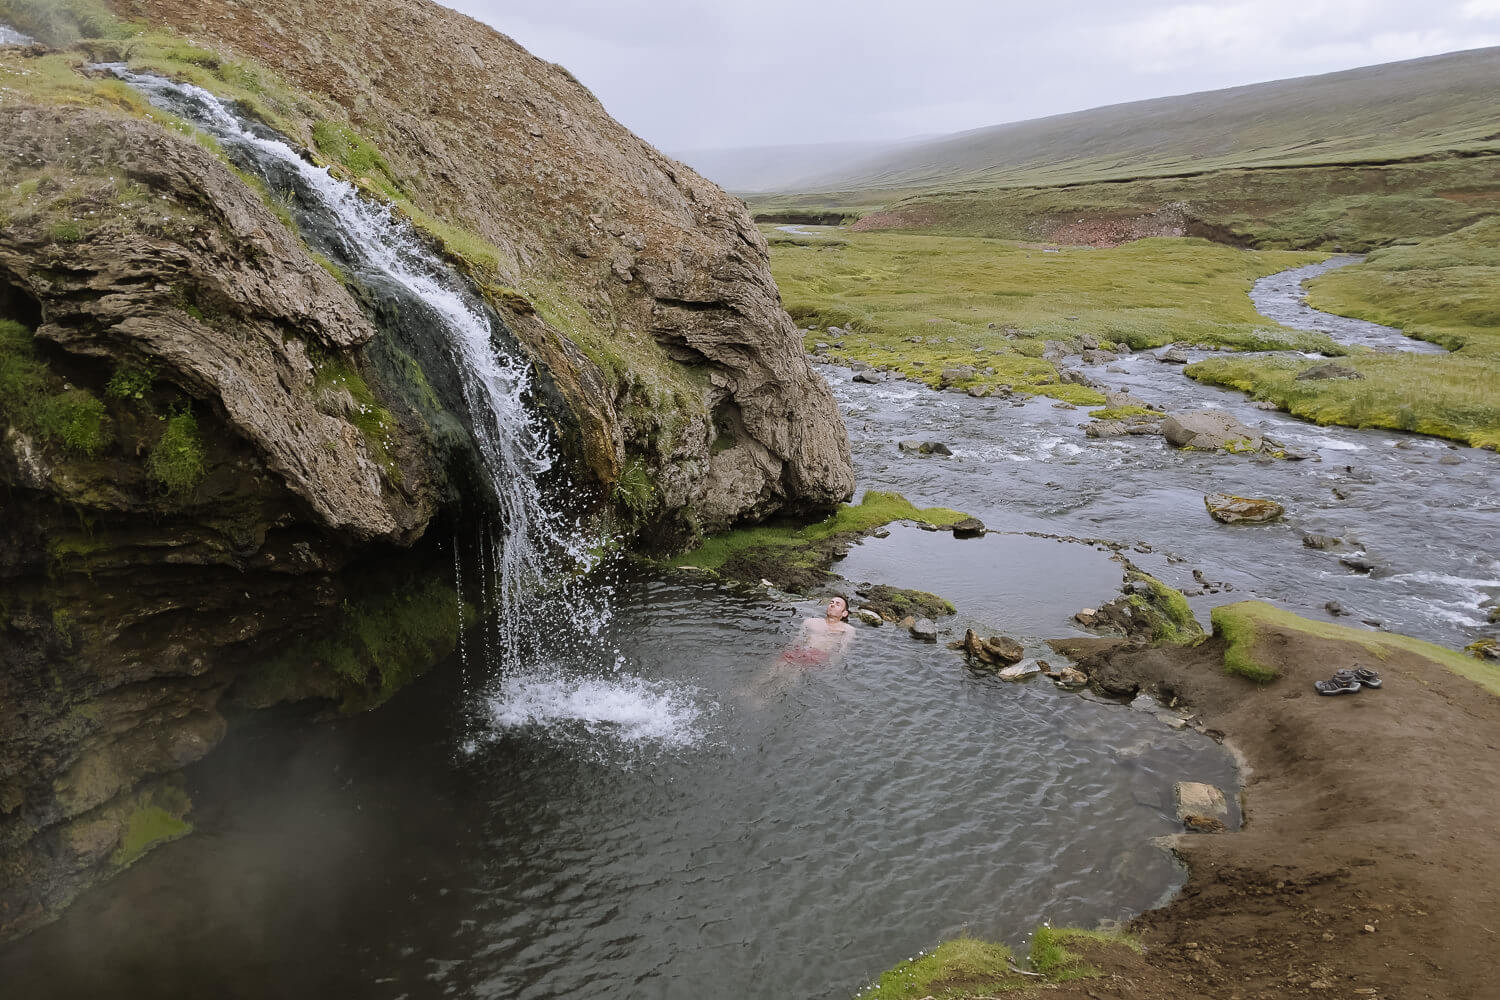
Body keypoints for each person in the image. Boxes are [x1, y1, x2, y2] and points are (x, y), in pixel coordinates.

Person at [779, 595, 857, 667]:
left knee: (793, 675)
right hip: (799, 652)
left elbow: (843, 650)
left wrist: (831, 665)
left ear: (844, 613)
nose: (832, 605)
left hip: (819, 658)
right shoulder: (810, 622)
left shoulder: (848, 629)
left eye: (837, 604)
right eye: (831, 602)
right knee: (776, 668)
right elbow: (798, 640)